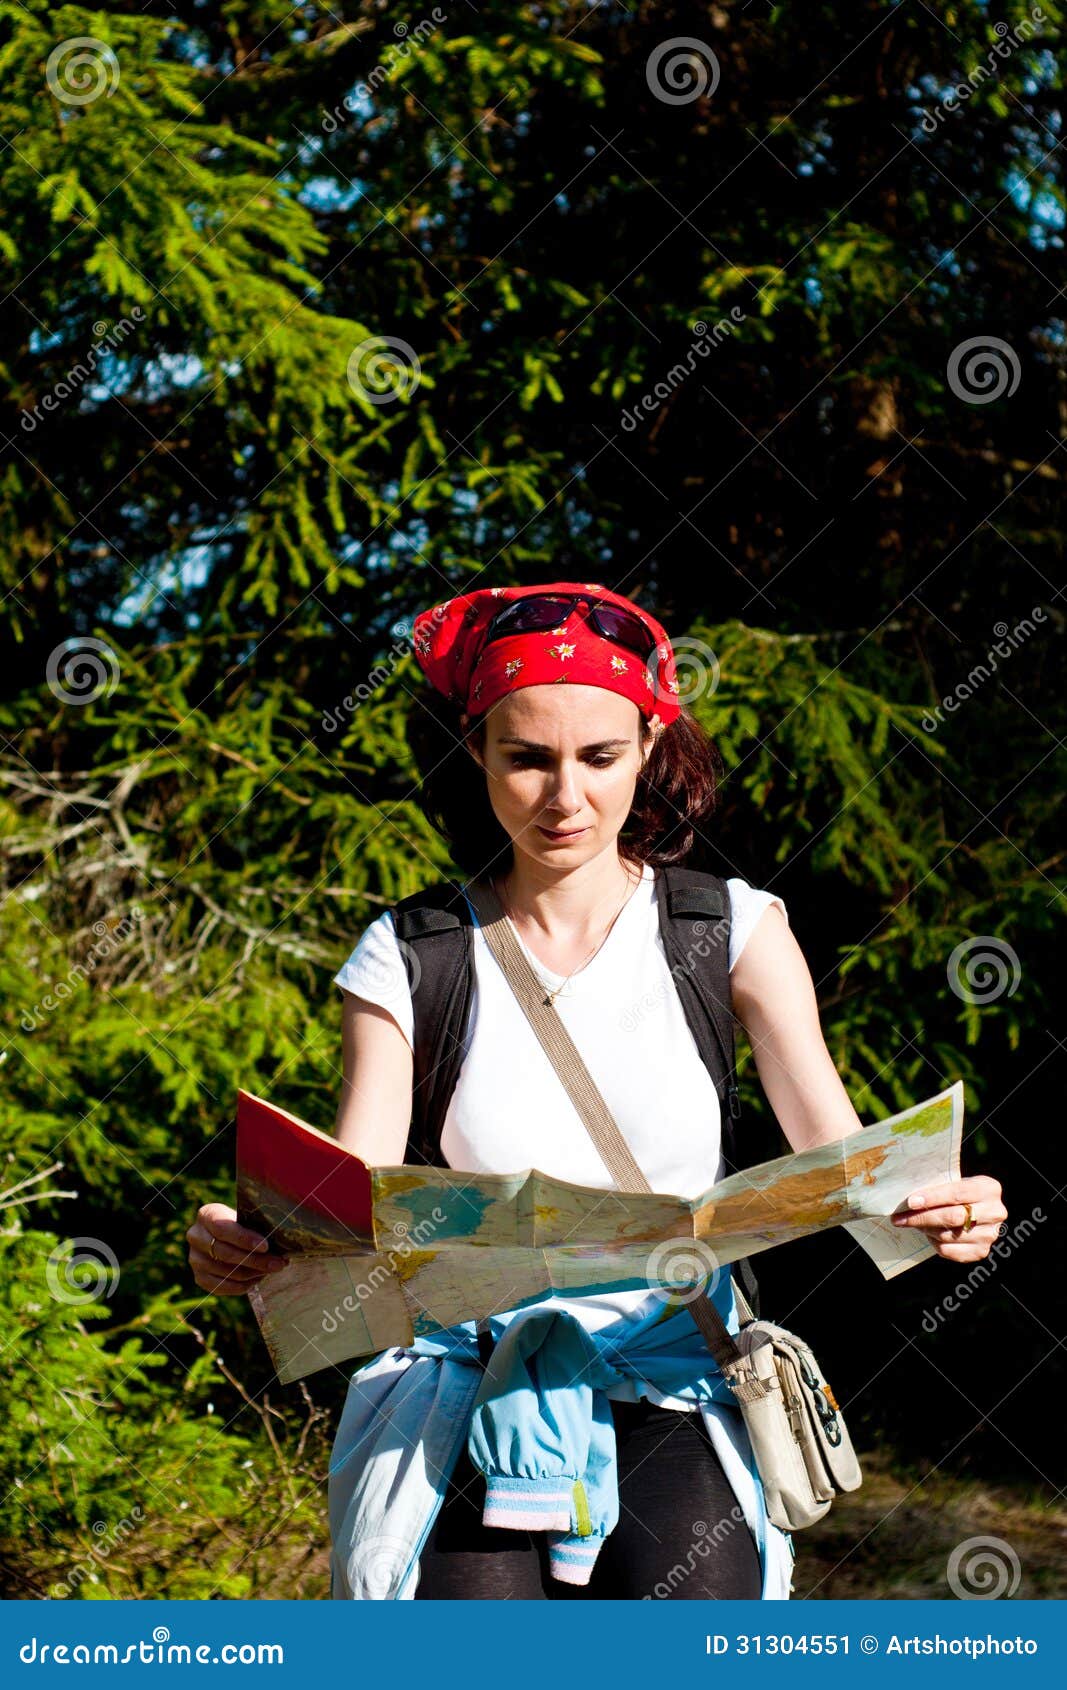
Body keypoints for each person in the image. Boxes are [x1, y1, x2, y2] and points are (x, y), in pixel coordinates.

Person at [187, 580, 1008, 1601]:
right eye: (526, 758)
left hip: (675, 1371)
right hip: (463, 1383)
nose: (563, 798)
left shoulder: (732, 931)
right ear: (475, 752)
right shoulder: (411, 954)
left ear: (651, 746)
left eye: (599, 758)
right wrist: (257, 1239)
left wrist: (940, 1207)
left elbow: (840, 1160)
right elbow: (349, 1198)